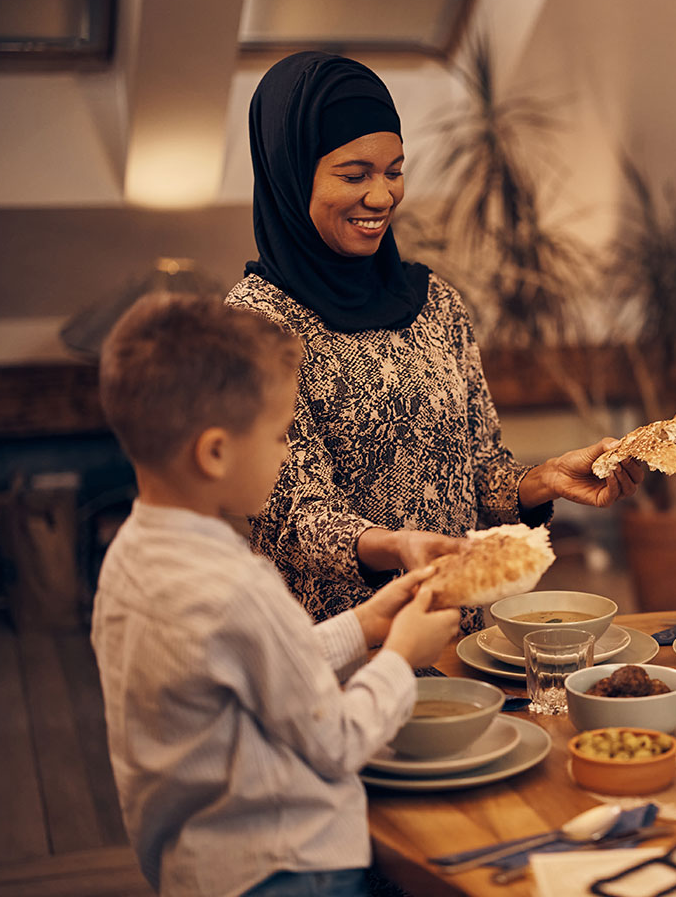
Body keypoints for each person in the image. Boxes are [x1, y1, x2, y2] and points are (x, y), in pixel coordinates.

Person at [226, 51, 641, 627]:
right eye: (354, 175)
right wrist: (398, 547)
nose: (381, 197)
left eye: (394, 171)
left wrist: (542, 481)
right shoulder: (254, 325)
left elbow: (479, 473)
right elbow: (291, 517)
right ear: (290, 176)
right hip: (331, 650)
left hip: (449, 634)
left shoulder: (435, 302)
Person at [92, 293, 461, 896]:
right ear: (215, 452)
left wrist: (367, 623)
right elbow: (336, 740)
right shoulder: (238, 584)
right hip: (292, 869)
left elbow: (256, 665)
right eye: (280, 435)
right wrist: (401, 655)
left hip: (199, 868)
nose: (287, 452)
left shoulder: (129, 559)